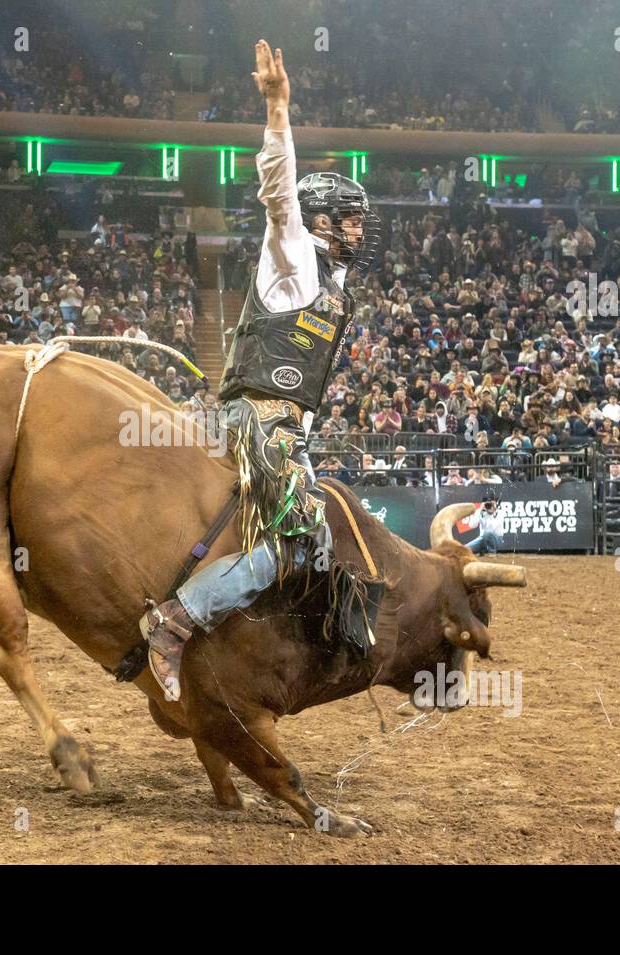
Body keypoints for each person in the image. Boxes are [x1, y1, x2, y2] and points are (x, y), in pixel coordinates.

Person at [139, 40, 377, 701]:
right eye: (352, 220)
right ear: (323, 219)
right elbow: (278, 191)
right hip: (264, 419)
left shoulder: (326, 282)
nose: (360, 231)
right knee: (302, 541)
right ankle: (175, 622)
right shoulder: (294, 251)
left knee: (307, 543)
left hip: (280, 424)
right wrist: (278, 108)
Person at [466, 489, 504, 555]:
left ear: (496, 504)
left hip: (496, 540)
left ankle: (491, 553)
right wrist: (480, 510)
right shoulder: (480, 512)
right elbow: (472, 525)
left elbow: (492, 527)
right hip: (482, 539)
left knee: (487, 534)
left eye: (493, 503)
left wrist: (491, 513)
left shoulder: (500, 513)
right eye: (489, 504)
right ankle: (483, 550)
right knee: (465, 549)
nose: (490, 506)